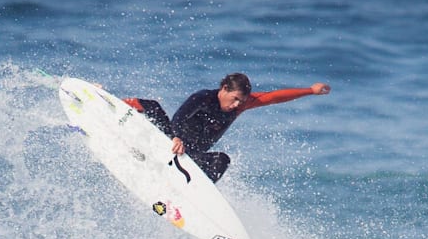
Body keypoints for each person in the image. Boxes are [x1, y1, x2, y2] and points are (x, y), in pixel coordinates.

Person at [124, 73, 330, 182]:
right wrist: (175, 137)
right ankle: (107, 101)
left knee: (221, 160)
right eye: (235, 99)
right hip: (170, 141)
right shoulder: (203, 97)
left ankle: (195, 193)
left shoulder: (241, 105)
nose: (237, 105)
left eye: (242, 101)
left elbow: (273, 97)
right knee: (152, 106)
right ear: (224, 89)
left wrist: (310, 90)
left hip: (190, 156)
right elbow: (178, 118)